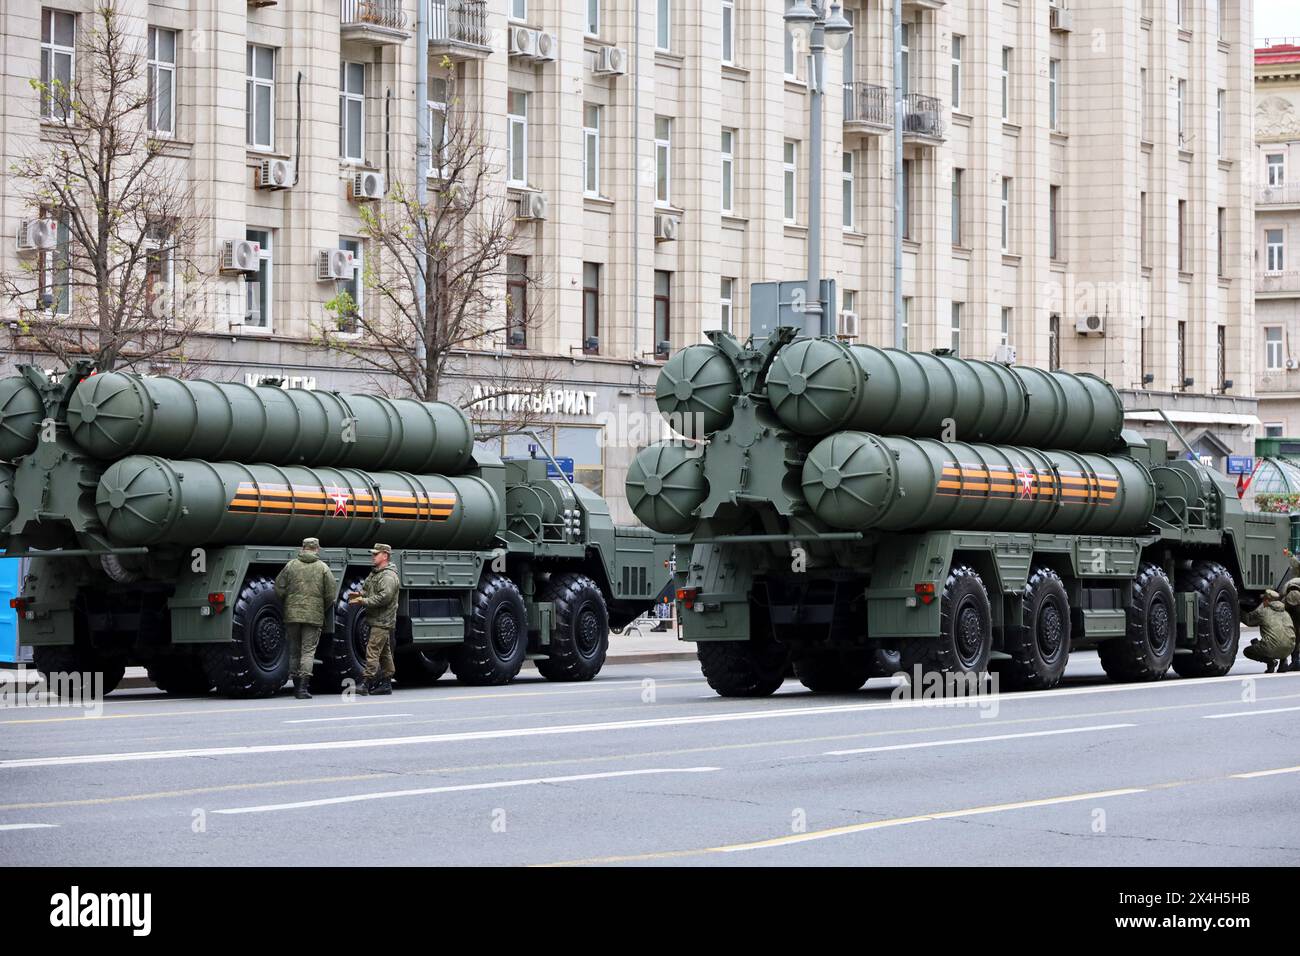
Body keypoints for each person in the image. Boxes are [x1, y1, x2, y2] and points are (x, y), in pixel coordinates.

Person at [274, 537, 337, 699]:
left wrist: (288, 603)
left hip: (292, 615)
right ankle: (302, 689)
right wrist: (321, 607)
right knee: (308, 651)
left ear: (302, 548)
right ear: (317, 549)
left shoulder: (291, 565)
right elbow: (331, 594)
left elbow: (279, 586)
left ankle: (296, 686)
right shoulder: (323, 568)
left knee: (294, 651)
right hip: (313, 616)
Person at [348, 543, 399, 695]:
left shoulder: (388, 576)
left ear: (385, 556)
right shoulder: (376, 573)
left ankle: (365, 683)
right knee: (384, 652)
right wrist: (359, 595)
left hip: (382, 620)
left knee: (372, 650)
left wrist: (363, 601)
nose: (373, 556)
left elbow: (384, 598)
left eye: (376, 554)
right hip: (376, 619)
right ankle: (386, 683)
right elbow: (367, 589)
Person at [1242, 589, 1296, 674]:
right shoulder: (1286, 613)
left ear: (1267, 600)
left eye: (1263, 600)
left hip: (1272, 648)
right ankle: (1283, 662)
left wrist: (1237, 609)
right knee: (1283, 637)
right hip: (1290, 648)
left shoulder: (1263, 612)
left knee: (1247, 651)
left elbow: (1248, 620)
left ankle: (1270, 662)